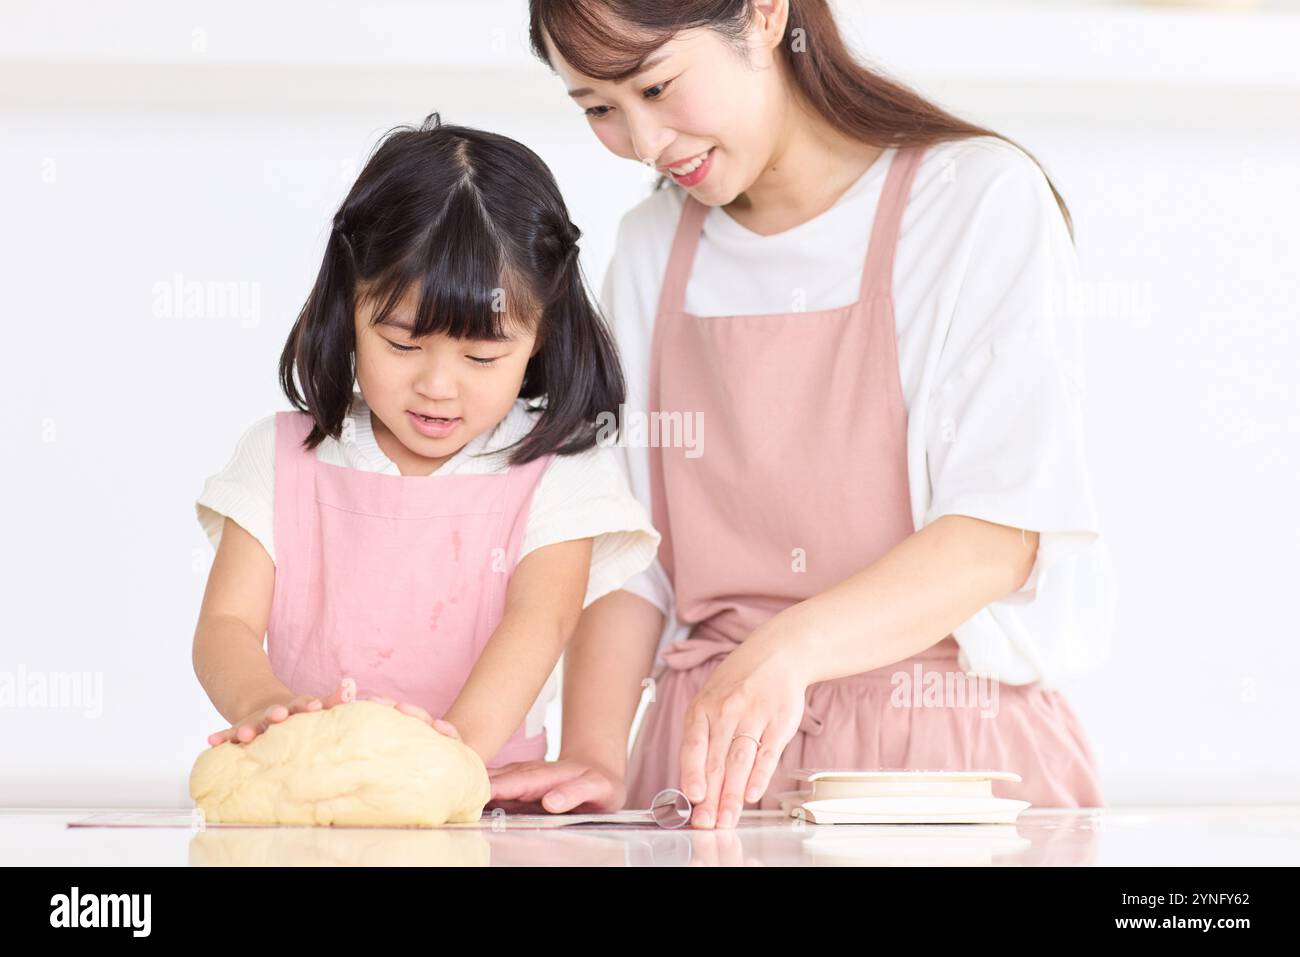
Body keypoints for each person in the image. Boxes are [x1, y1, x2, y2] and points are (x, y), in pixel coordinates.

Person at [488, 0, 1117, 826]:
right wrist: (598, 752)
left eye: (656, 85)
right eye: (600, 109)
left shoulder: (976, 201)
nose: (642, 142)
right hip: (704, 771)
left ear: (761, 16)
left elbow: (999, 531)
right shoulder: (651, 247)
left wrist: (787, 650)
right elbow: (630, 554)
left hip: (938, 769)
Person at [192, 114, 660, 770]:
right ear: (346, 310)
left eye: (482, 357)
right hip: (307, 797)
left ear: (541, 338)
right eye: (403, 344)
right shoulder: (279, 458)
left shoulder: (558, 474)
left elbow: (538, 622)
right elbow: (226, 626)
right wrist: (265, 707)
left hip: (483, 808)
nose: (437, 386)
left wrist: (449, 757)